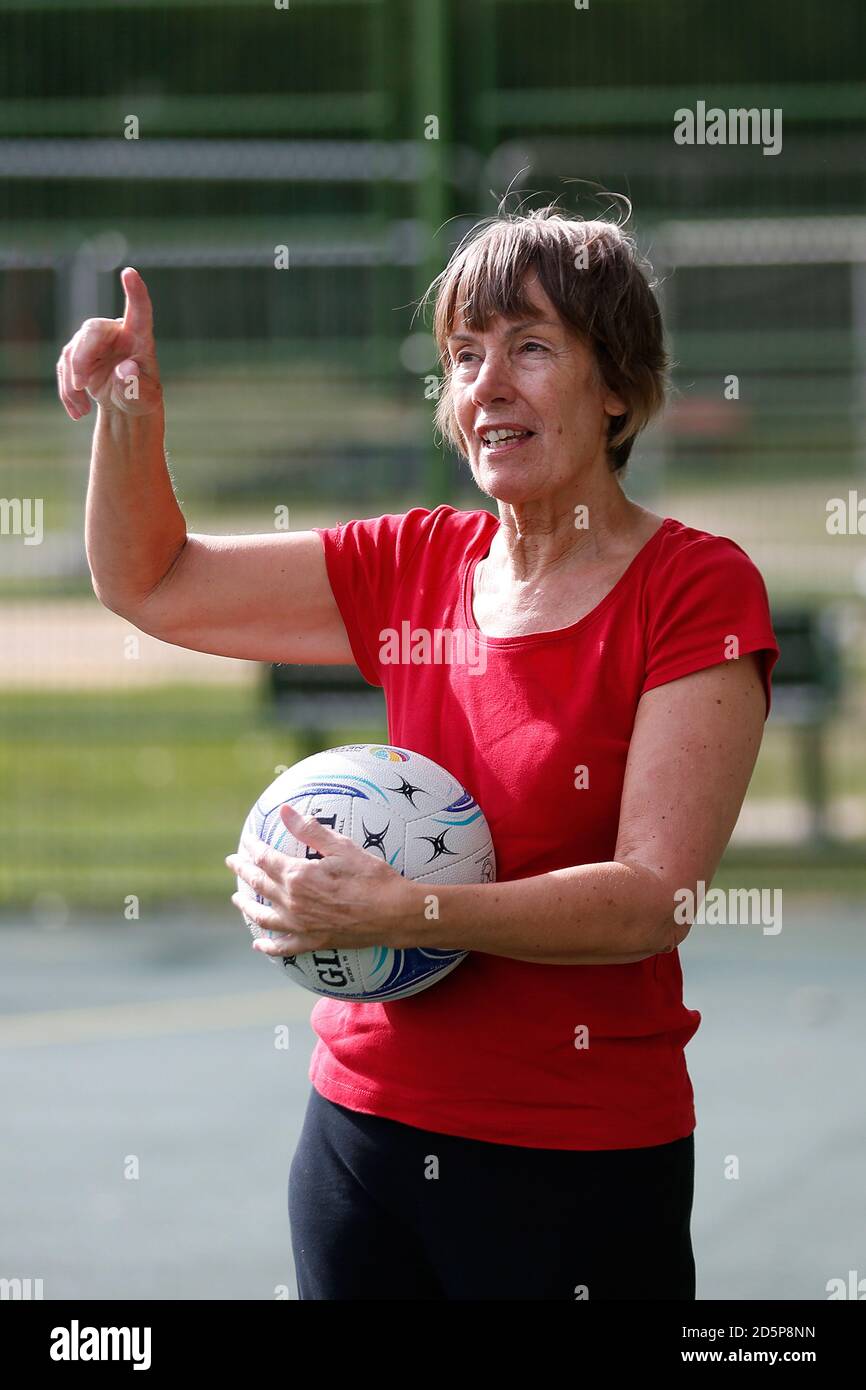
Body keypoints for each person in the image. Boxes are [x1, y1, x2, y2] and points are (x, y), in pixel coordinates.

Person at [56, 205, 779, 1301]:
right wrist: (127, 414)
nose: (487, 383)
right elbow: (151, 580)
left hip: (576, 1162)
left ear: (617, 387)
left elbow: (648, 899)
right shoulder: (414, 563)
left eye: (530, 347)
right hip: (361, 1138)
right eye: (462, 354)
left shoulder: (691, 587)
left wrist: (409, 912)